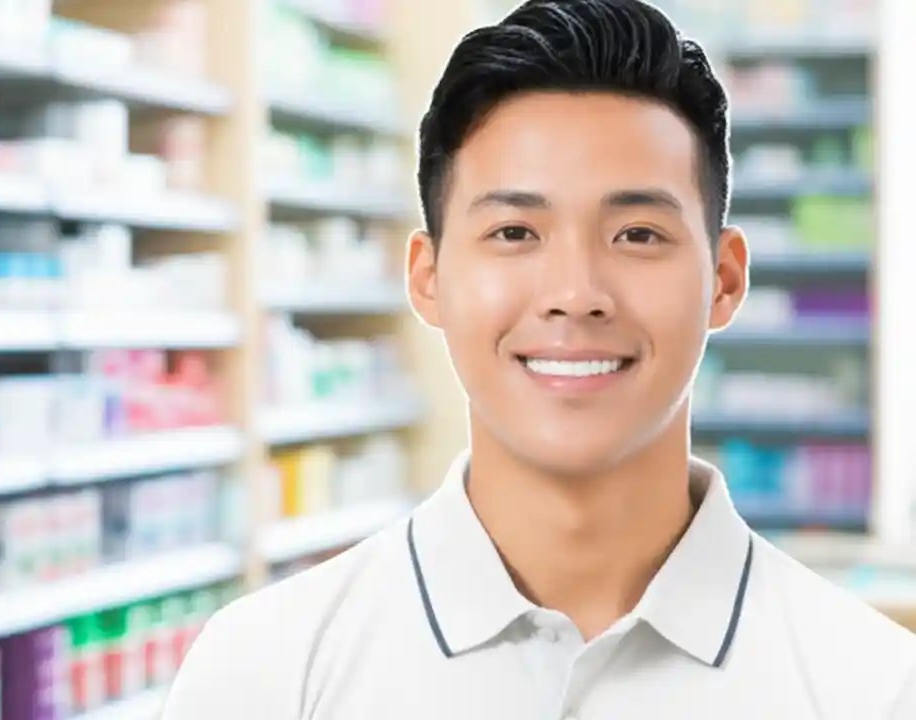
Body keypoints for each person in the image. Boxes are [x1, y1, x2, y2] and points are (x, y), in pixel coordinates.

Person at [161, 0, 916, 717]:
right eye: (516, 233)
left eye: (638, 235)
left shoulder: (875, 691)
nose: (575, 293)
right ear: (429, 278)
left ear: (724, 280)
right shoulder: (265, 673)